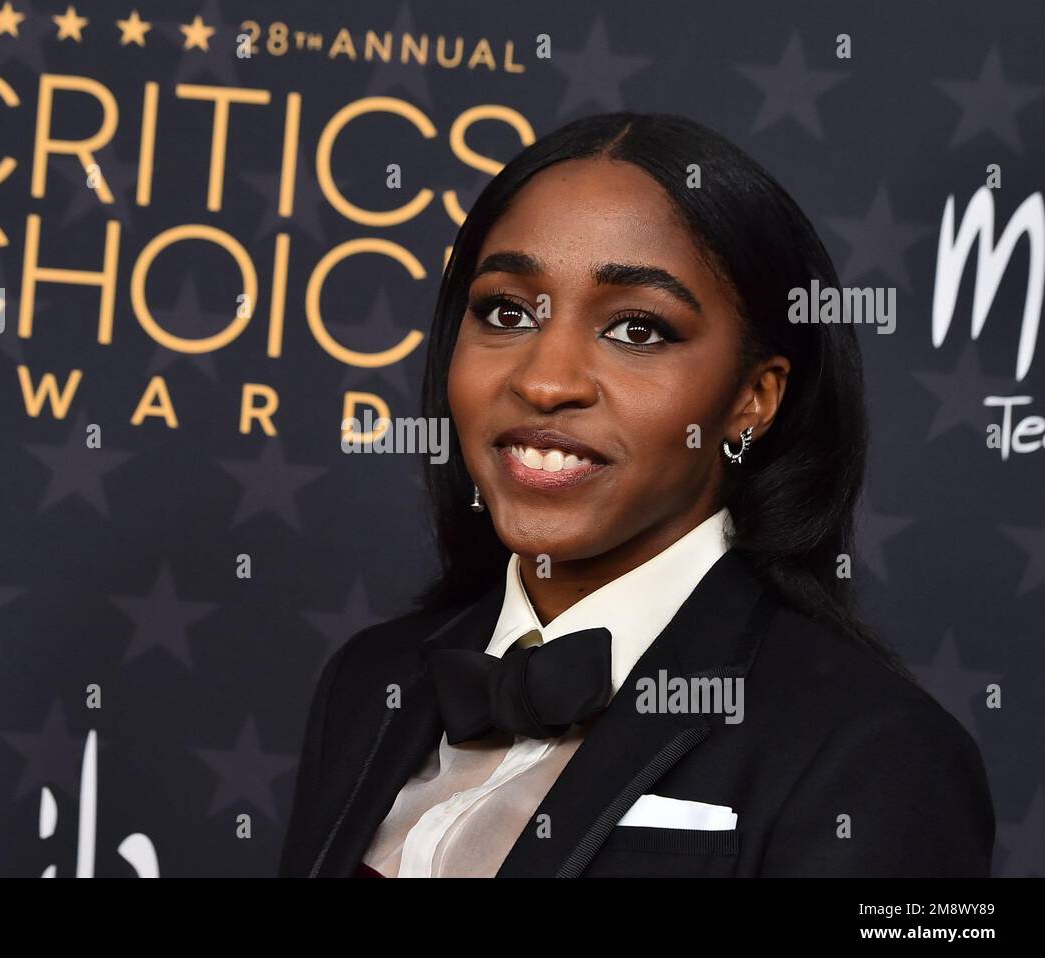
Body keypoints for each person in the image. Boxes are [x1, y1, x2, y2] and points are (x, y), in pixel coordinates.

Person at [279, 112, 994, 877]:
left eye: (638, 330)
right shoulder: (370, 681)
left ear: (754, 397)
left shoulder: (878, 755)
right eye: (507, 312)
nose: (544, 380)